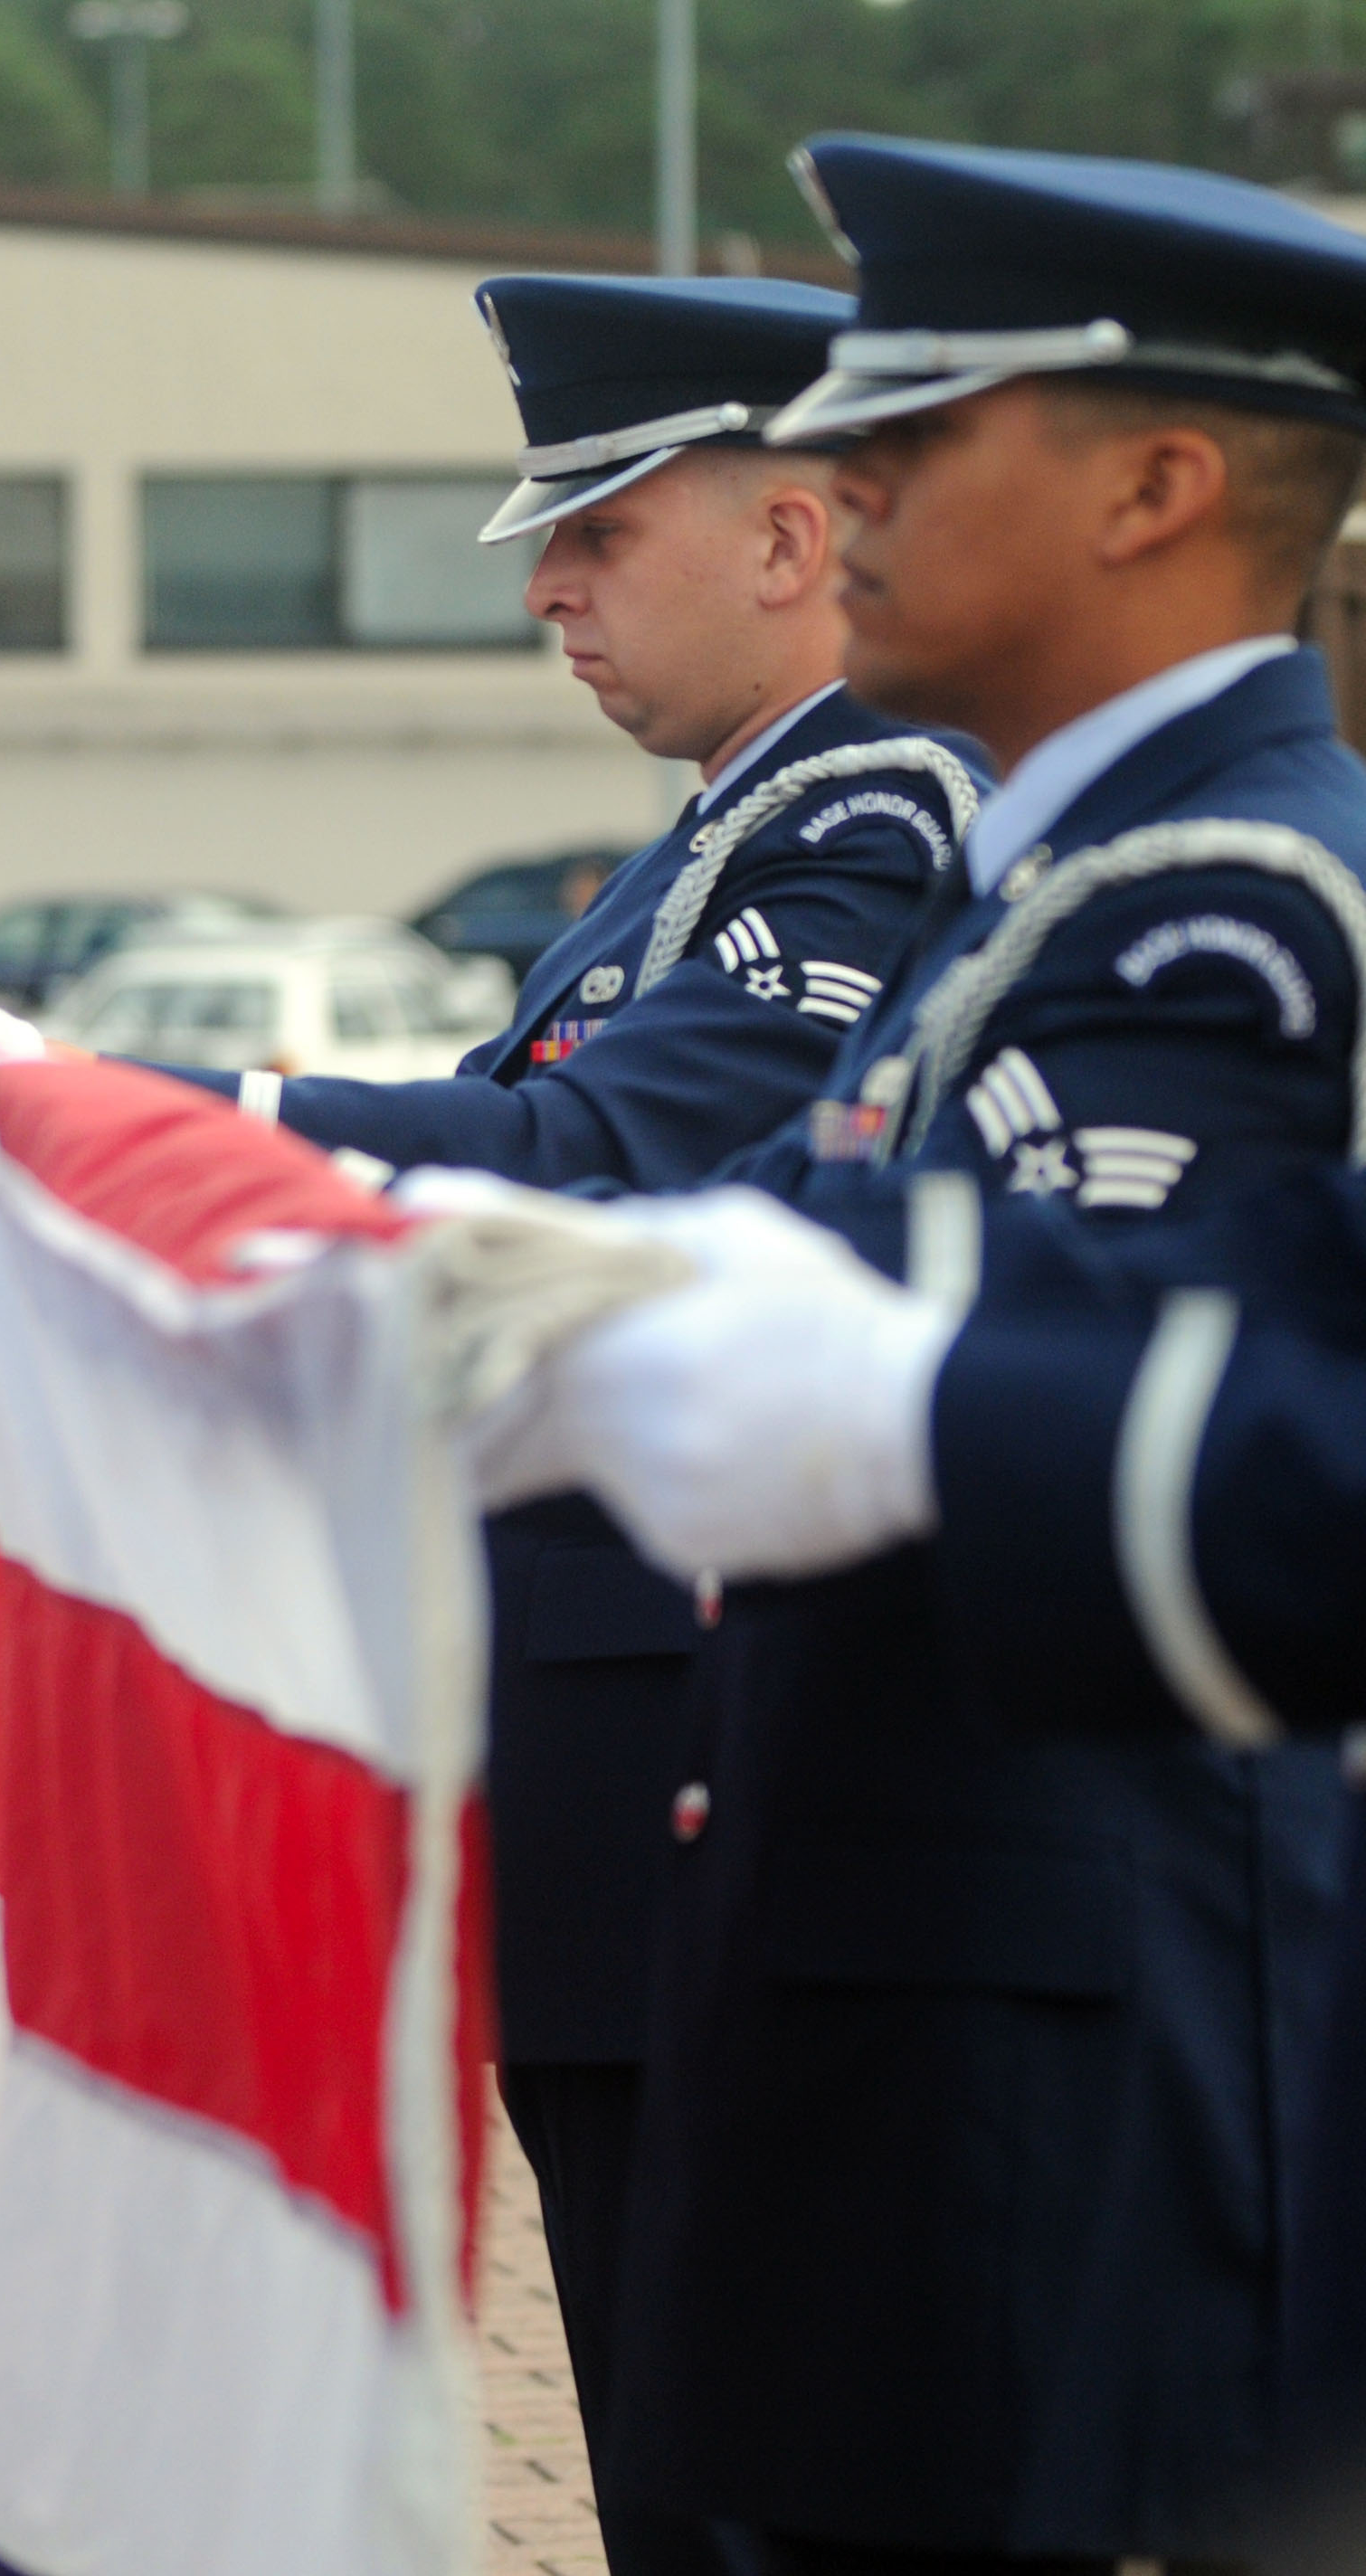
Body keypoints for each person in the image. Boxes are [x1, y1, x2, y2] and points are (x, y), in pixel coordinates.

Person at [521, 133, 1366, 2576]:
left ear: (1163, 483)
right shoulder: (1040, 875)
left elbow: (1160, 1450)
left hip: (1053, 2021)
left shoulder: (1231, 903)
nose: (837, 483)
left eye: (905, 436)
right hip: (882, 1968)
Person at [140, 268, 968, 2576]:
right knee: (675, 2455)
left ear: (795, 534)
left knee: (769, 2478)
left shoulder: (875, 813)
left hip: (736, 1780)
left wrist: (182, 1112)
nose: (547, 588)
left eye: (601, 525)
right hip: (606, 1800)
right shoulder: (705, 847)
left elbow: (621, 1154)